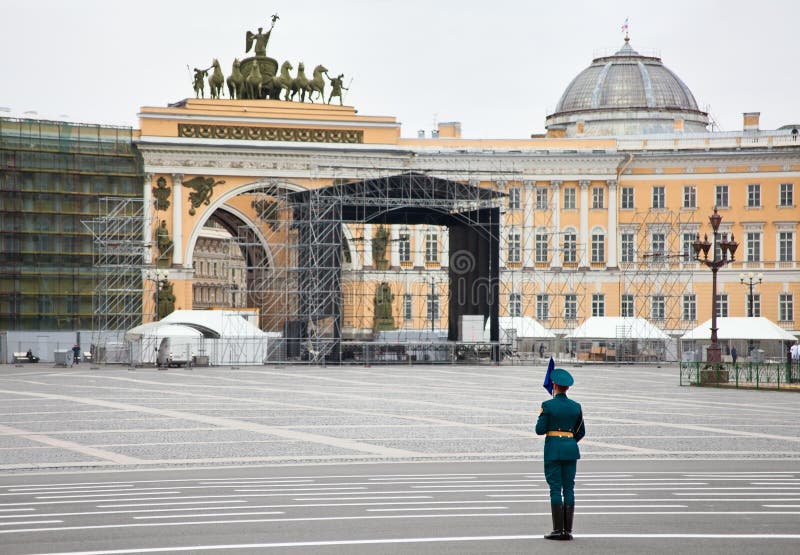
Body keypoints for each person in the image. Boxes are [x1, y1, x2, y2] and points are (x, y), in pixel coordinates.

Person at [536, 368, 585, 541]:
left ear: (554, 385)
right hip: (571, 450)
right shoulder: (576, 406)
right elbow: (581, 432)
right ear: (568, 388)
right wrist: (568, 442)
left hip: (553, 450)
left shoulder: (548, 405)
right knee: (569, 487)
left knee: (555, 488)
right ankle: (568, 531)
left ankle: (558, 530)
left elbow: (539, 430)